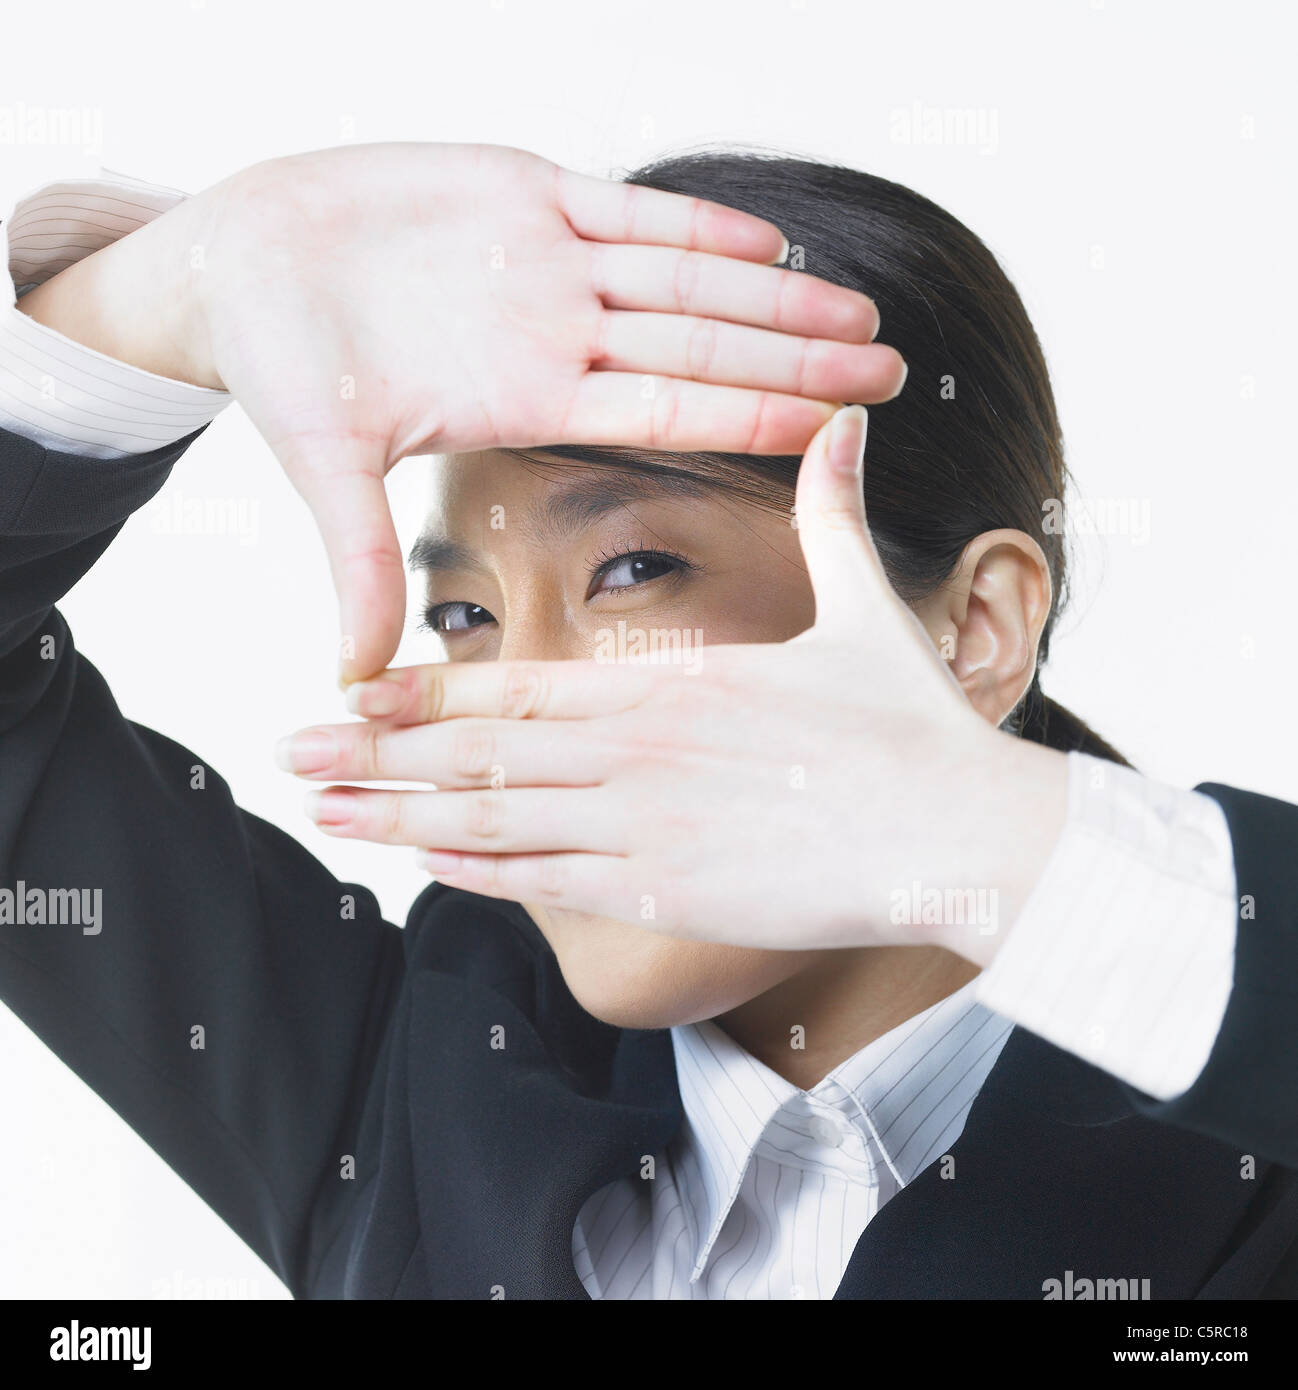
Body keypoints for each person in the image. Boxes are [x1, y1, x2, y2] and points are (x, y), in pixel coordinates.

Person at [1, 142, 1294, 1300]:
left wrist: (986, 838)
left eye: (629, 571)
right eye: (461, 616)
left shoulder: (1245, 1167)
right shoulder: (421, 1091)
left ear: (973, 629)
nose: (514, 695)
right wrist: (171, 293)